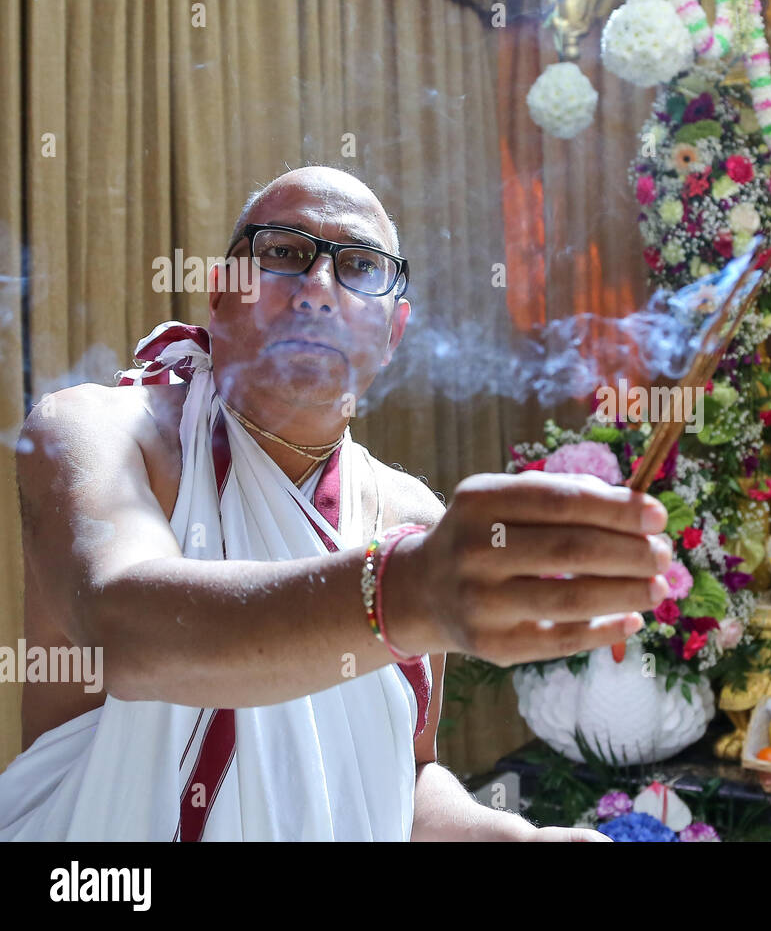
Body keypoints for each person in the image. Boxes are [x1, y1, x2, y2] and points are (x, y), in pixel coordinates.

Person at [0, 165, 673, 840]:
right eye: (285, 253)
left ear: (393, 334)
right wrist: (402, 591)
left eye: (358, 265)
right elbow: (126, 632)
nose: (318, 289)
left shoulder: (408, 516)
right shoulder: (100, 430)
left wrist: (511, 837)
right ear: (220, 292)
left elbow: (398, 776)